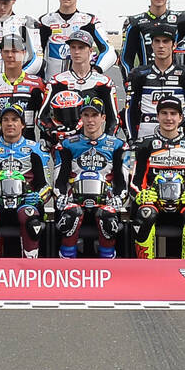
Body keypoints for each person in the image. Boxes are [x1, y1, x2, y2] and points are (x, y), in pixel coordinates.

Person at [132, 96, 185, 259]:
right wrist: (141, 195)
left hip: (183, 204)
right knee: (145, 213)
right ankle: (144, 267)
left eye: (173, 113)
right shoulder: (144, 145)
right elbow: (135, 183)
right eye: (164, 113)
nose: (169, 118)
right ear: (158, 116)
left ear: (181, 117)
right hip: (154, 205)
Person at [0, 104, 54, 258]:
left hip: (25, 203)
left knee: (30, 216)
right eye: (5, 120)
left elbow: (46, 186)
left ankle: (30, 268)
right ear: (0, 123)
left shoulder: (36, 150)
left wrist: (37, 198)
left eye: (15, 120)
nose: (10, 124)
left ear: (23, 124)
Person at [53, 96, 128, 259]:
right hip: (75, 200)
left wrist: (118, 198)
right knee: (70, 214)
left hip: (104, 201)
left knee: (107, 216)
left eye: (94, 115)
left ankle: (108, 267)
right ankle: (67, 265)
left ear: (103, 118)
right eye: (86, 115)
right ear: (81, 118)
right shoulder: (67, 144)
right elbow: (59, 180)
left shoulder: (117, 145)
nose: (90, 120)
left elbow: (122, 182)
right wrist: (61, 196)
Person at [124, 23, 185, 142]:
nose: (161, 46)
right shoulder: (139, 74)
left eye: (166, 41)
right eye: (157, 41)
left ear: (174, 45)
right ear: (152, 45)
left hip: (177, 139)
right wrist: (132, 139)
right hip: (145, 139)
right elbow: (130, 110)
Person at [39, 29, 120, 144]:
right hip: (64, 145)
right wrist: (54, 132)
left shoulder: (104, 83)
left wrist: (105, 142)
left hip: (94, 144)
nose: (77, 52)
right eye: (73, 47)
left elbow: (114, 119)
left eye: (81, 47)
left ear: (90, 51)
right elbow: (42, 117)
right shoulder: (57, 81)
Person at [36, 0, 116, 80]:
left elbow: (109, 51)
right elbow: (34, 53)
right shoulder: (45, 21)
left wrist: (96, 70)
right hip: (52, 83)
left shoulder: (89, 21)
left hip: (81, 84)